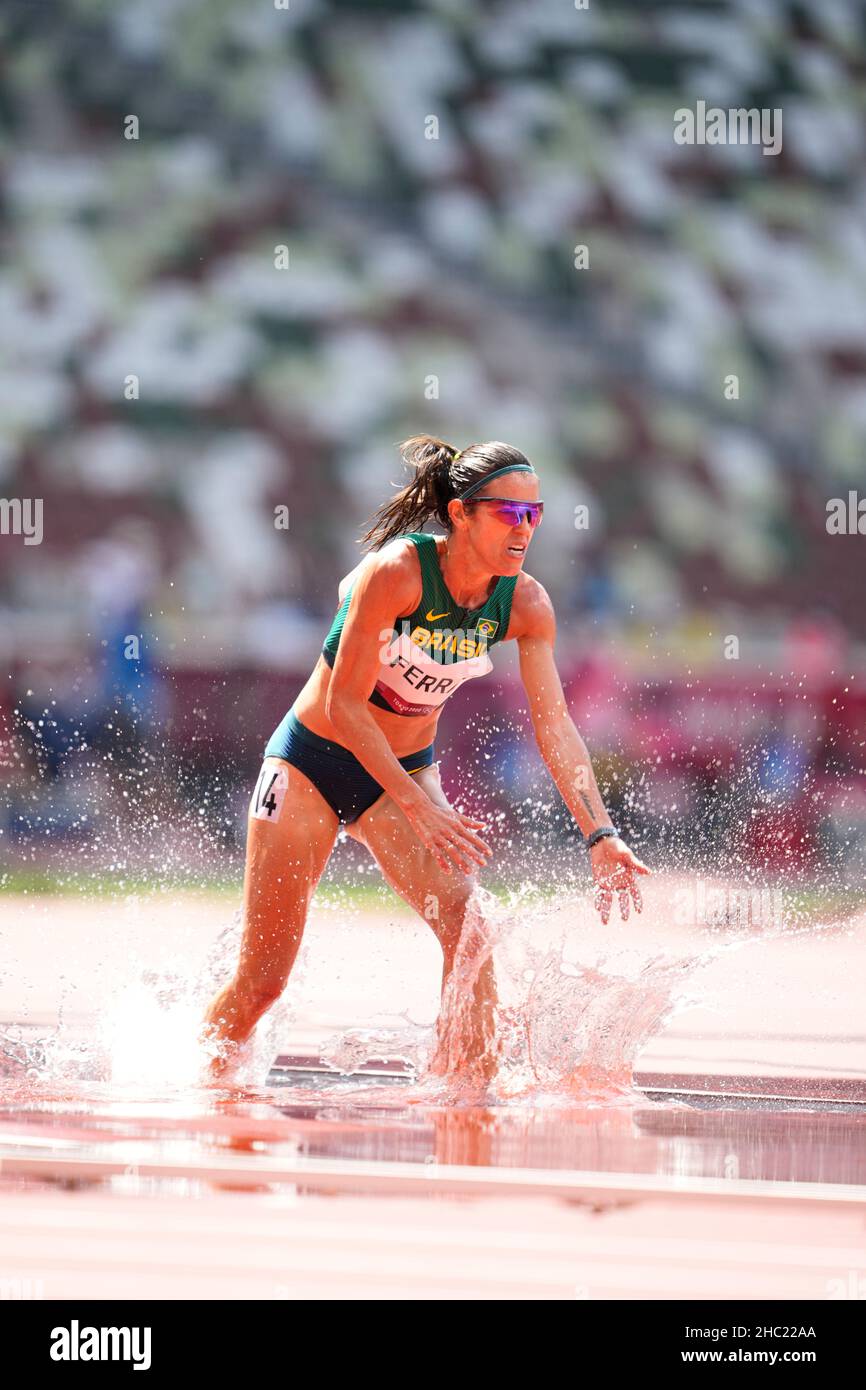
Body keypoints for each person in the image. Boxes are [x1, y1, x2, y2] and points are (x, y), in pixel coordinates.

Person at [200, 436, 650, 1084]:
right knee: (263, 983)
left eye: (535, 515)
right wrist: (420, 806)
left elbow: (556, 728)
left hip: (401, 776)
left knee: (471, 931)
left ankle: (464, 1097)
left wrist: (599, 834)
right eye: (507, 514)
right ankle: (199, 1086)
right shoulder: (397, 574)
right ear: (461, 513)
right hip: (312, 765)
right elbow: (348, 707)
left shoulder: (525, 605)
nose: (524, 530)